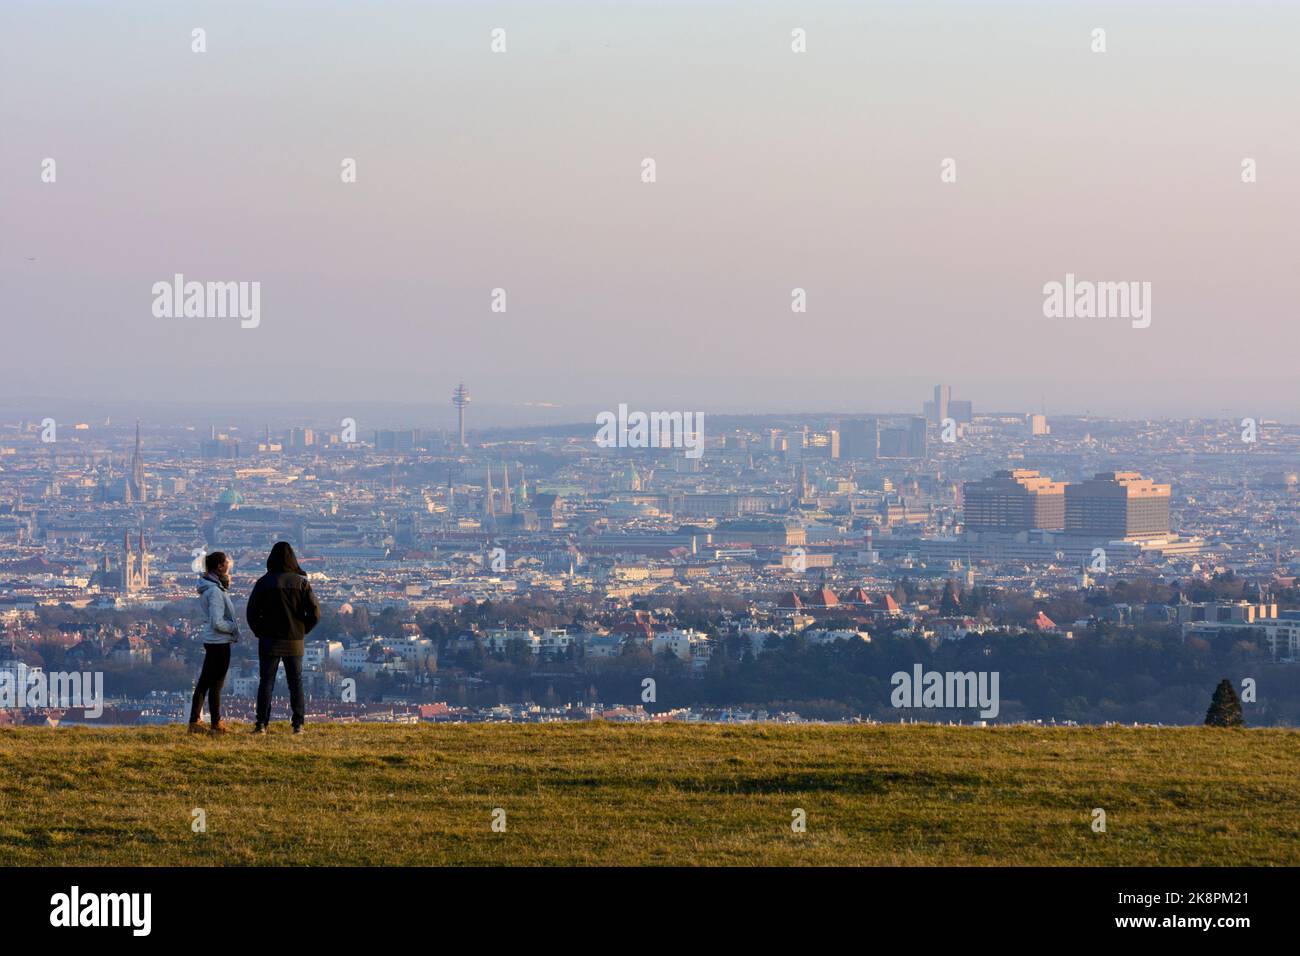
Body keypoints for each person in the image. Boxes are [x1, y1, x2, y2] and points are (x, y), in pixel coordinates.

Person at [246, 541, 320, 734]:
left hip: (269, 640)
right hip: (294, 640)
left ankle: (261, 724)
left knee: (266, 682)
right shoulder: (301, 583)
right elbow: (315, 613)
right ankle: (298, 724)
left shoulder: (264, 582)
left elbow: (251, 613)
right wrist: (302, 630)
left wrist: (260, 632)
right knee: (295, 682)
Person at [191, 551, 238, 735]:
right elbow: (217, 622)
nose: (229, 566)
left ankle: (195, 720)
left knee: (205, 681)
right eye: (227, 563)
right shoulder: (215, 592)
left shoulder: (209, 587)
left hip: (212, 640)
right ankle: (216, 723)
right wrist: (233, 627)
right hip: (219, 642)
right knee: (216, 684)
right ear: (219, 567)